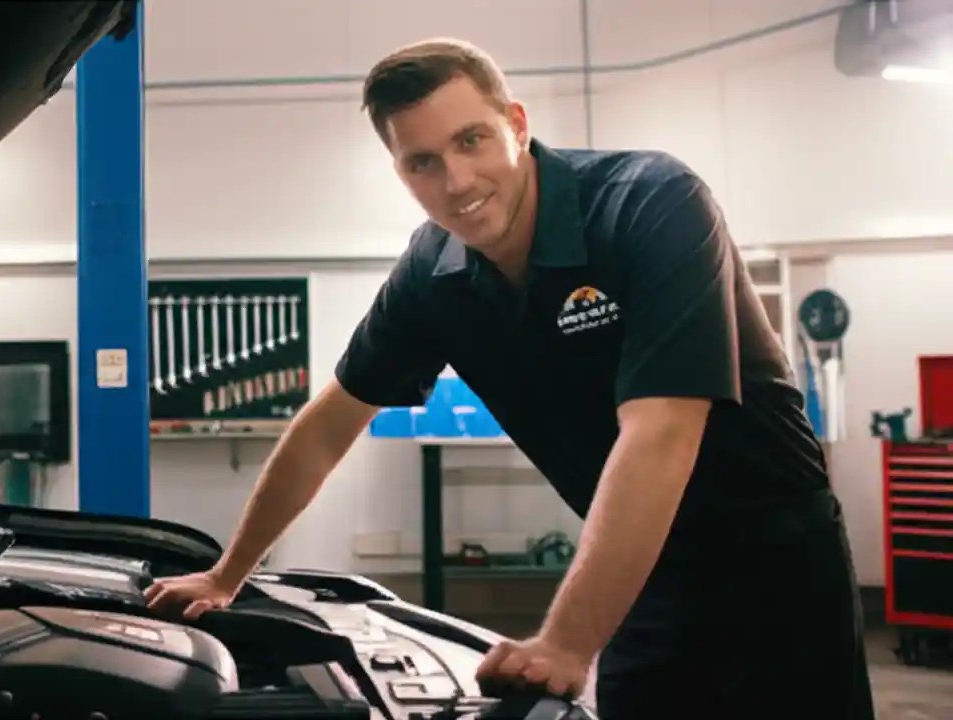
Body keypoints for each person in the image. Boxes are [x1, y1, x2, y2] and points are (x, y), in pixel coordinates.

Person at [144, 38, 875, 718]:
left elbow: (661, 433)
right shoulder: (433, 273)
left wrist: (565, 642)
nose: (456, 181)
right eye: (421, 162)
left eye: (471, 141)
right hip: (642, 576)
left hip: (779, 562)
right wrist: (227, 573)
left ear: (515, 124)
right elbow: (331, 422)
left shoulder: (650, 201)